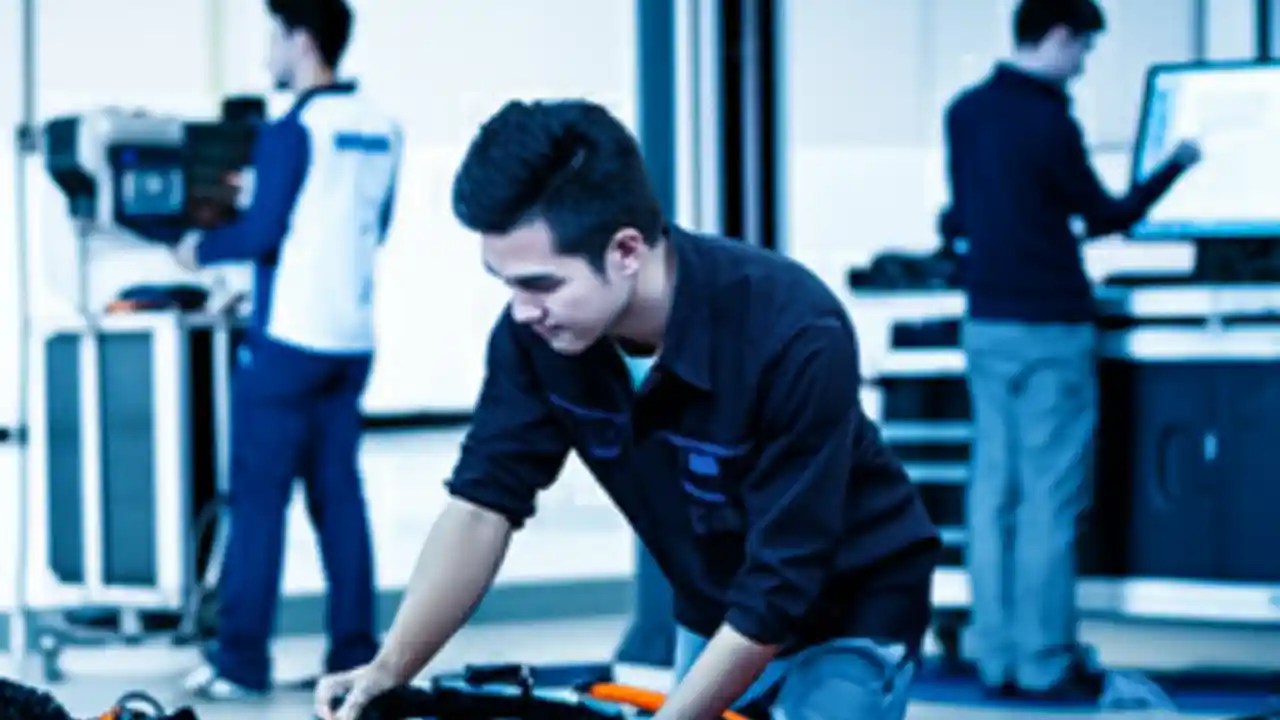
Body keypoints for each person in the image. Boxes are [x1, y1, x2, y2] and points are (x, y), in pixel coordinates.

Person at [313, 98, 941, 720]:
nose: (521, 309)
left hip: (849, 604)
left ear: (625, 252)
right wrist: (389, 669)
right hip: (716, 603)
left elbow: (780, 588)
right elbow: (482, 507)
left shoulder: (792, 332)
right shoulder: (537, 337)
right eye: (504, 282)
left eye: (540, 283)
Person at [938, 0, 1201, 701]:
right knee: (1051, 498)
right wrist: (1176, 163)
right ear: (1056, 35)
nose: (1082, 63)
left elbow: (961, 216)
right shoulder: (1049, 119)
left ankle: (996, 659)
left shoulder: (965, 112)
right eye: (1081, 47)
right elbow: (1106, 214)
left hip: (987, 322)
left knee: (993, 493)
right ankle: (1045, 661)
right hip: (1050, 325)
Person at [174, 0, 402, 699]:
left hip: (288, 343)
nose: (267, 53)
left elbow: (263, 235)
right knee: (340, 500)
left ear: (302, 42)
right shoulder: (381, 128)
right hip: (351, 340)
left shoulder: (293, 127)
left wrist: (195, 246)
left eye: (273, 37)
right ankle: (356, 658)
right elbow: (372, 225)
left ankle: (241, 662)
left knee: (259, 500)